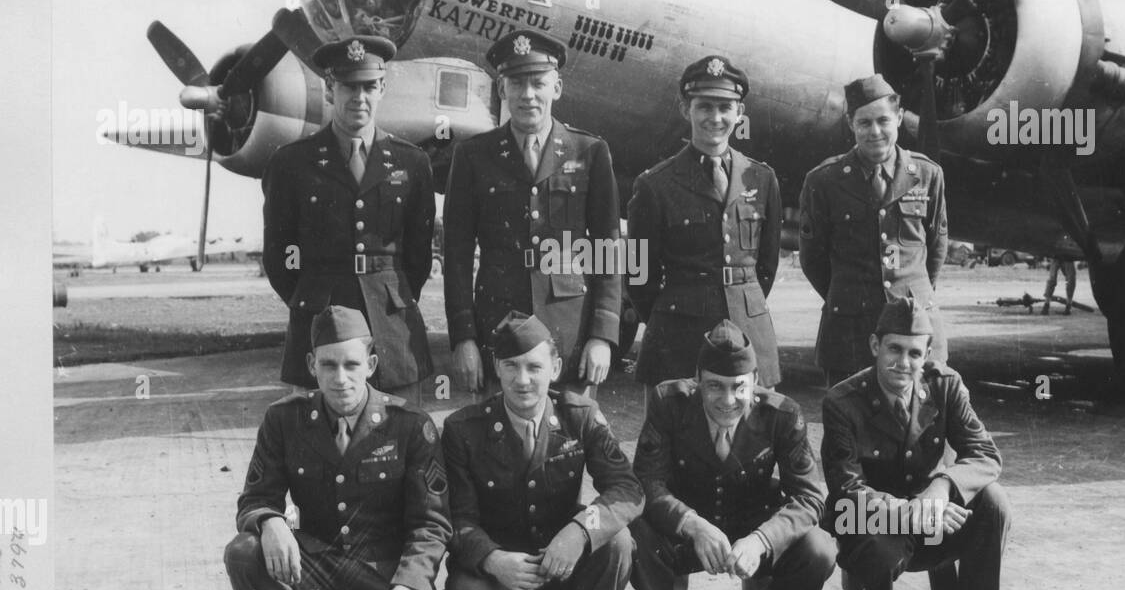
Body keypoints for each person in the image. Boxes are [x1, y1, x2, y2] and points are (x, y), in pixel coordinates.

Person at [223, 306, 451, 590]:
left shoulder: (410, 425)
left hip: (384, 572)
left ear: (372, 365)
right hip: (316, 567)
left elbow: (432, 524)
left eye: (351, 365)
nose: (340, 378)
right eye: (328, 365)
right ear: (311, 365)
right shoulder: (283, 420)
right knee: (244, 551)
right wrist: (270, 521)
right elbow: (254, 498)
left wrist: (406, 588)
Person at [798, 73, 952, 590]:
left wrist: (913, 310)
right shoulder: (824, 180)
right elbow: (814, 258)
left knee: (931, 445)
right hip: (849, 334)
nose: (874, 130)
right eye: (864, 122)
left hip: (916, 336)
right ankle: (863, 577)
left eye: (883, 120)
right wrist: (853, 302)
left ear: (898, 115)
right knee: (852, 459)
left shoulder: (926, 175)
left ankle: (947, 572)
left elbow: (935, 248)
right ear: (851, 125)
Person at [442, 312, 642, 590]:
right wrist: (493, 560)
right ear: (495, 368)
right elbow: (457, 518)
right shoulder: (462, 430)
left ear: (556, 367)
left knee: (618, 543)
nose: (522, 380)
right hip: (498, 570)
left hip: (560, 560)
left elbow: (626, 488)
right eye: (510, 367)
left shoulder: (578, 416)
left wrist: (581, 530)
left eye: (534, 367)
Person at [629, 321, 836, 590]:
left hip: (750, 530)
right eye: (714, 387)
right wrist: (691, 524)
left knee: (821, 549)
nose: (727, 401)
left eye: (738, 387)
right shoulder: (669, 403)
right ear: (697, 381)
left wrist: (761, 540)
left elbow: (809, 496)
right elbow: (647, 483)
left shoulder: (782, 415)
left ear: (755, 380)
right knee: (633, 527)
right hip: (685, 533)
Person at [820, 298, 1010, 590]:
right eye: (893, 349)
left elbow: (986, 455)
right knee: (871, 534)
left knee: (993, 502)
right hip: (868, 525)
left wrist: (941, 487)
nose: (903, 363)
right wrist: (911, 512)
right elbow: (845, 489)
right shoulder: (843, 402)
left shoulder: (945, 387)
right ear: (876, 346)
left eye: (914, 353)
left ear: (926, 355)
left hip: (932, 517)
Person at [442, 28, 621, 397]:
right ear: (501, 89)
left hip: (568, 331)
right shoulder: (473, 156)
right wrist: (464, 338)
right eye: (515, 83)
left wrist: (603, 335)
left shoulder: (589, 153)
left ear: (556, 87)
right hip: (499, 327)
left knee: (571, 443)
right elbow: (456, 256)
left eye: (538, 83)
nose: (527, 95)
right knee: (499, 445)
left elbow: (608, 250)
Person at [262, 34, 436, 405]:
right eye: (348, 87)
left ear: (382, 88)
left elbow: (418, 256)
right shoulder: (292, 163)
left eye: (369, 86)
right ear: (329, 89)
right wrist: (308, 298)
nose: (359, 97)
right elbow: (280, 256)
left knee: (399, 440)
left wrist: (393, 297)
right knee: (317, 442)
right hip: (319, 321)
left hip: (393, 330)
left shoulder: (412, 162)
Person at [627, 55, 782, 390]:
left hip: (749, 332)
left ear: (740, 113)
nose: (716, 117)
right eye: (705, 107)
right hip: (680, 337)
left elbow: (766, 265)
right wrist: (670, 315)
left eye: (726, 107)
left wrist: (744, 300)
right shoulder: (655, 184)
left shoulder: (762, 178)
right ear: (686, 109)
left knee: (751, 436)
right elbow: (639, 274)